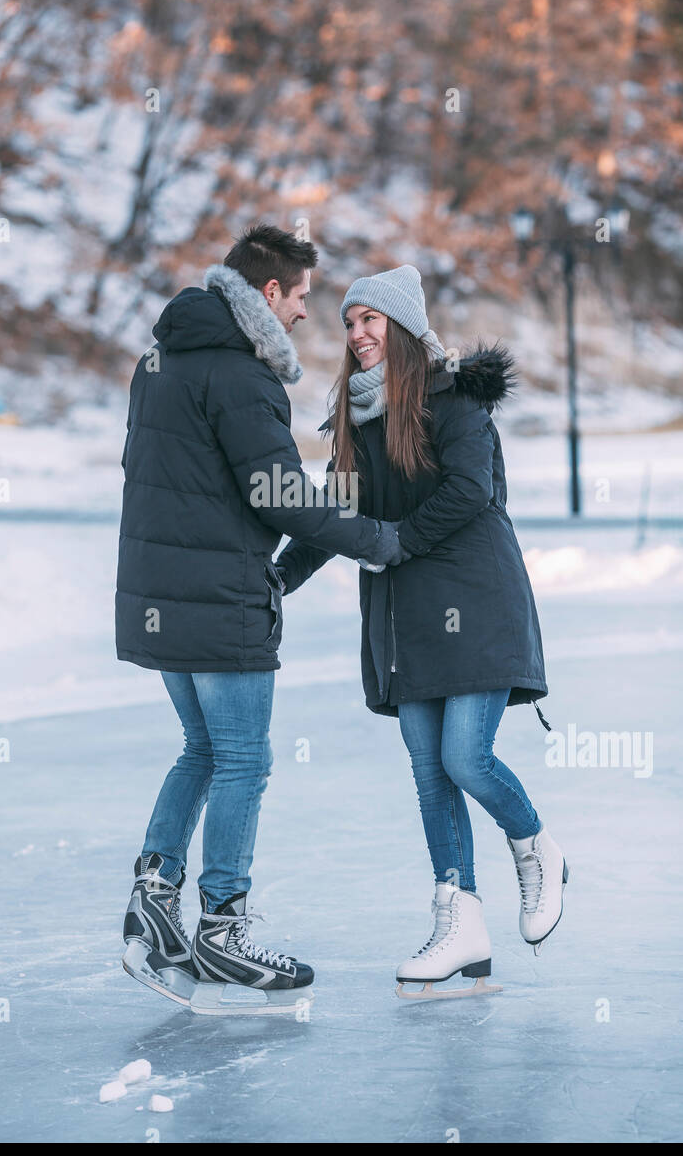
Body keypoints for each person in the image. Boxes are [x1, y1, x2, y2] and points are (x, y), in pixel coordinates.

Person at [115, 227, 408, 1015]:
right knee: (244, 758)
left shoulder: (159, 361)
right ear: (269, 292)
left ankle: (153, 900)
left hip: (159, 597)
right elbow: (280, 496)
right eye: (303, 297)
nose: (308, 313)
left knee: (203, 749)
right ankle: (223, 929)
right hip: (220, 599)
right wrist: (377, 541)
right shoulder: (242, 374)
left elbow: (155, 474)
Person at [275, 265, 568, 1000]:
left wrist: (399, 540)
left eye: (370, 319)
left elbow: (472, 488)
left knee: (466, 757)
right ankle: (460, 922)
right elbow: (335, 512)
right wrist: (277, 579)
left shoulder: (454, 398)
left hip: (474, 601)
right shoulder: (356, 416)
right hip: (404, 619)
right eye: (348, 322)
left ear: (403, 326)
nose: (357, 334)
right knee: (430, 773)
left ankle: (535, 846)